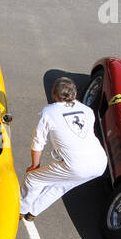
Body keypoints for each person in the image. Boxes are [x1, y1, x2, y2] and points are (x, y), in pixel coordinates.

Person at [21, 77, 108, 219]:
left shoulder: (49, 112)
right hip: (100, 163)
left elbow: (38, 141)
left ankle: (21, 209)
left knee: (33, 178)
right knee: (62, 184)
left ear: (54, 94)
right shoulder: (87, 110)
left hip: (75, 164)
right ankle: (32, 212)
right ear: (75, 94)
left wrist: (35, 166)